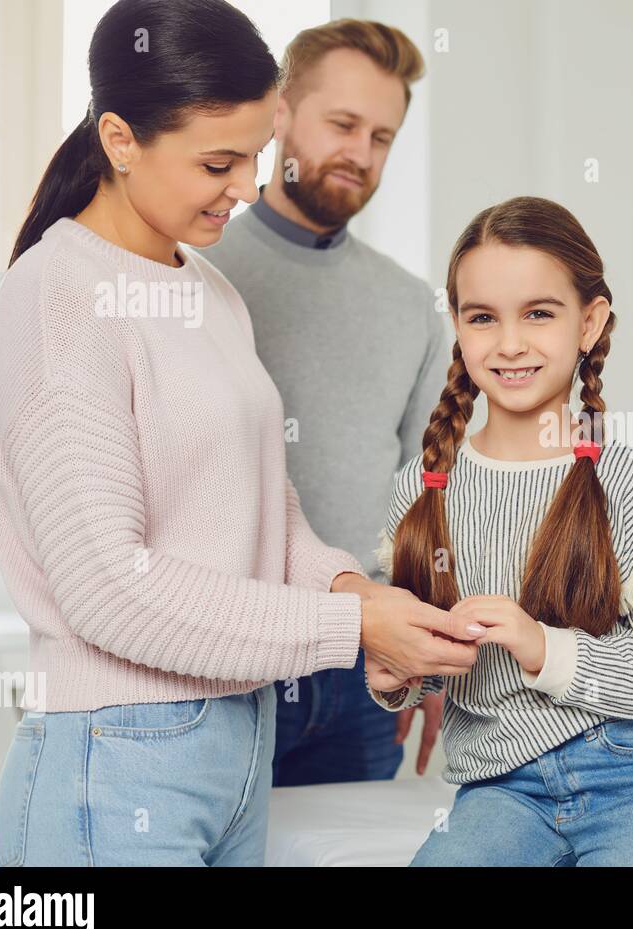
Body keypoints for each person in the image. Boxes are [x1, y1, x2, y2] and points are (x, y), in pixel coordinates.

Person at [0, 0, 476, 867]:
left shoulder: (210, 292)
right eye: (220, 161)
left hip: (234, 749)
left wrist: (368, 597)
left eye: (254, 154)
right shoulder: (57, 297)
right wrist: (349, 631)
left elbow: (271, 523)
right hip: (114, 762)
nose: (248, 187)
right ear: (121, 140)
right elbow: (109, 592)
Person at [368, 197, 633, 866]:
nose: (509, 343)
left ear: (589, 323)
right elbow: (424, 669)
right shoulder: (420, 490)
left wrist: (545, 650)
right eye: (482, 318)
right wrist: (395, 676)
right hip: (496, 789)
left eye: (538, 313)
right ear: (457, 326)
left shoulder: (629, 483)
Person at [200, 19, 448, 785]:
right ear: (279, 116)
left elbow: (430, 492)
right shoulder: (198, 274)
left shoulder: (412, 306)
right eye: (342, 124)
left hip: (363, 673)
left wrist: (427, 652)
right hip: (225, 660)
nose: (361, 154)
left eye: (382, 136)